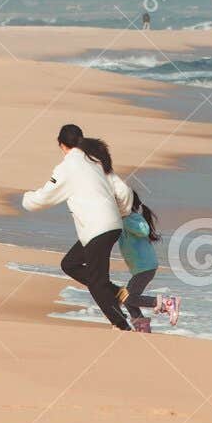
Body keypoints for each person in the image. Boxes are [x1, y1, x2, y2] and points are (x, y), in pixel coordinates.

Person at [22, 125, 133, 331]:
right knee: (70, 264)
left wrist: (26, 199)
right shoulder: (97, 160)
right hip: (111, 226)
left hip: (96, 228)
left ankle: (123, 326)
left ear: (62, 145)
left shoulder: (67, 168)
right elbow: (124, 191)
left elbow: (43, 198)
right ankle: (117, 294)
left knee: (96, 283)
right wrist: (122, 213)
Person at [116, 191, 179, 332]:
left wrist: (123, 220)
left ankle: (166, 303)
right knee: (127, 298)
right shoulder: (123, 220)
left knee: (130, 297)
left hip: (146, 266)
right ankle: (142, 326)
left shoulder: (133, 218)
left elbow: (144, 230)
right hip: (140, 268)